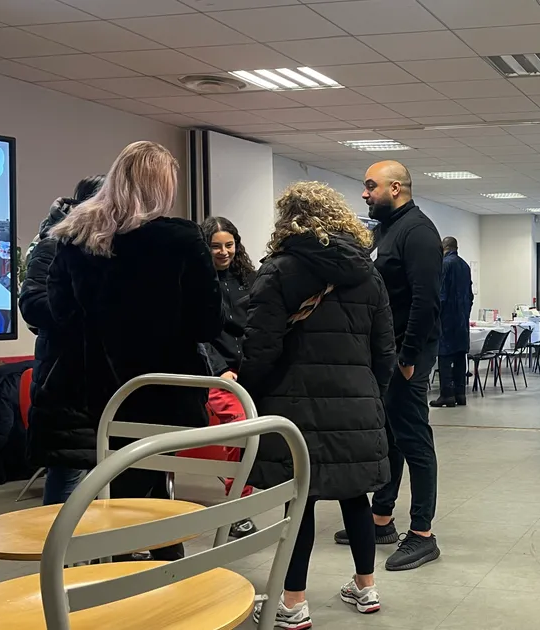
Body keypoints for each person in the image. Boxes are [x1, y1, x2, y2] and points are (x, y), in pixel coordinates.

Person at [35, 141, 222, 561]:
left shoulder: (74, 236)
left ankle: (120, 569)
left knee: (122, 490)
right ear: (161, 186)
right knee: (151, 491)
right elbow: (207, 324)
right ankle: (157, 574)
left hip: (102, 389)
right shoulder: (181, 238)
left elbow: (61, 314)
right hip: (166, 390)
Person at [240, 182, 395, 626]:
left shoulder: (278, 270)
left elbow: (260, 348)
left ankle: (293, 602)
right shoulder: (368, 273)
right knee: (355, 495)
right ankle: (366, 587)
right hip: (357, 403)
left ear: (288, 219)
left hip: (294, 406)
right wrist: (370, 393)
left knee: (300, 501)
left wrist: (249, 391)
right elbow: (385, 349)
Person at [339, 160, 442, 572]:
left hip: (407, 354)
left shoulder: (418, 232)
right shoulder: (386, 229)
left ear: (395, 188)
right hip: (386, 352)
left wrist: (409, 357)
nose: (365, 194)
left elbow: (425, 300)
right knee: (389, 435)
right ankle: (381, 518)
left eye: (371, 186)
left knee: (413, 438)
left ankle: (423, 534)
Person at [20, 174, 104, 505]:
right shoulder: (52, 245)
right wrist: (87, 311)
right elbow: (32, 305)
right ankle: (59, 543)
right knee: (68, 477)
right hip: (64, 379)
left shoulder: (116, 248)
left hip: (105, 382)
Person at [199, 216, 258, 539]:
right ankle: (238, 507)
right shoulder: (196, 283)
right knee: (241, 426)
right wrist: (221, 370)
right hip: (215, 376)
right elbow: (199, 337)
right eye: (215, 246)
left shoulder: (250, 279)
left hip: (249, 370)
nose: (224, 252)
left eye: (229, 245)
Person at [430, 236, 473, 409]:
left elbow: (441, 295)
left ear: (444, 247)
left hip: (446, 320)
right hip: (462, 320)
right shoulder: (465, 266)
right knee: (460, 356)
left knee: (445, 357)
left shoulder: (444, 264)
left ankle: (447, 395)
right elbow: (470, 295)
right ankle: (460, 394)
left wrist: (434, 317)